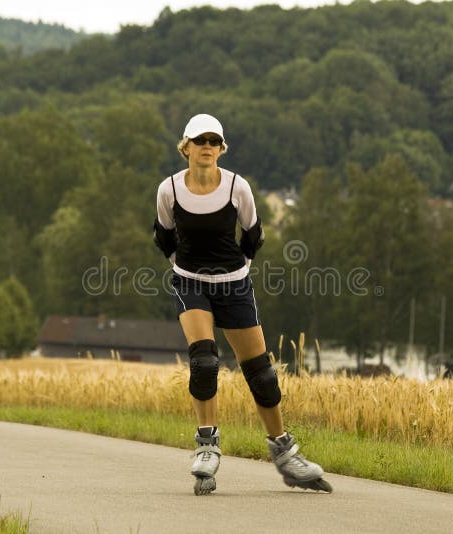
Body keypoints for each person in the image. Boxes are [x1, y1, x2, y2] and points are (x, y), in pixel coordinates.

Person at [153, 113, 332, 496]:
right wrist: (185, 269)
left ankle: (285, 454)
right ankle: (206, 446)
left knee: (261, 373)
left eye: (214, 141)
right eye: (199, 140)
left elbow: (253, 234)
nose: (207, 146)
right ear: (185, 147)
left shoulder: (237, 187)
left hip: (235, 285)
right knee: (204, 361)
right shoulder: (168, 189)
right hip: (191, 283)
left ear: (221, 148)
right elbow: (164, 236)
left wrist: (239, 270)